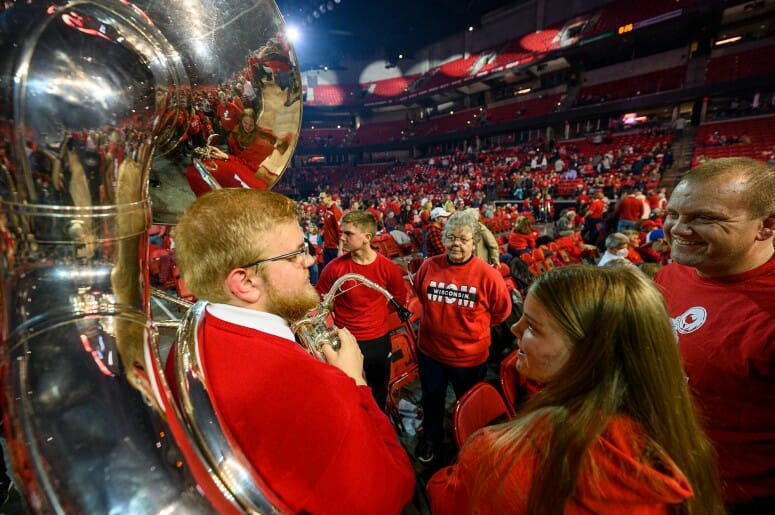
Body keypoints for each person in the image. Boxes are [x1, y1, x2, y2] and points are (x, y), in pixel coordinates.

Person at [172, 189, 414, 514]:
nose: (309, 261)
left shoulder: (194, 330)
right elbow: (393, 489)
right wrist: (354, 382)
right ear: (245, 282)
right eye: (295, 255)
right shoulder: (321, 390)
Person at [427, 265, 724, 514]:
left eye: (533, 327)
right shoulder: (676, 436)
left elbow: (445, 498)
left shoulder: (503, 458)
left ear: (589, 352)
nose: (515, 329)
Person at [654, 157, 775, 514]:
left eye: (704, 218)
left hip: (734, 499)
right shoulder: (672, 273)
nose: (678, 229)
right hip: (665, 477)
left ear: (766, 226)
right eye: (673, 214)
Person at [413, 211, 512, 463]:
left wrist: (470, 330)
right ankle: (432, 438)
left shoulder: (488, 275)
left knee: (469, 405)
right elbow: (421, 296)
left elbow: (501, 312)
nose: (456, 243)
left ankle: (469, 446)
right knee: (431, 400)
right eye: (451, 238)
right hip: (431, 354)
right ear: (443, 239)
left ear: (473, 243)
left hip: (469, 358)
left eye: (463, 239)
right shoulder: (428, 266)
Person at [316, 210, 407, 411]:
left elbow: (398, 301)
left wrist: (374, 316)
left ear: (367, 237)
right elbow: (321, 300)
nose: (342, 238)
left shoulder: (388, 268)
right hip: (347, 341)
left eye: (348, 233)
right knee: (349, 394)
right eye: (342, 232)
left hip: (378, 341)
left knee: (378, 393)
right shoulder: (334, 268)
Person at [318, 190, 342, 269]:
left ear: (329, 198)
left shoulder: (335, 211)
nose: (320, 200)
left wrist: (340, 250)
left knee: (335, 272)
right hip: (327, 247)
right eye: (320, 198)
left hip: (334, 249)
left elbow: (340, 232)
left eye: (322, 198)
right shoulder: (327, 210)